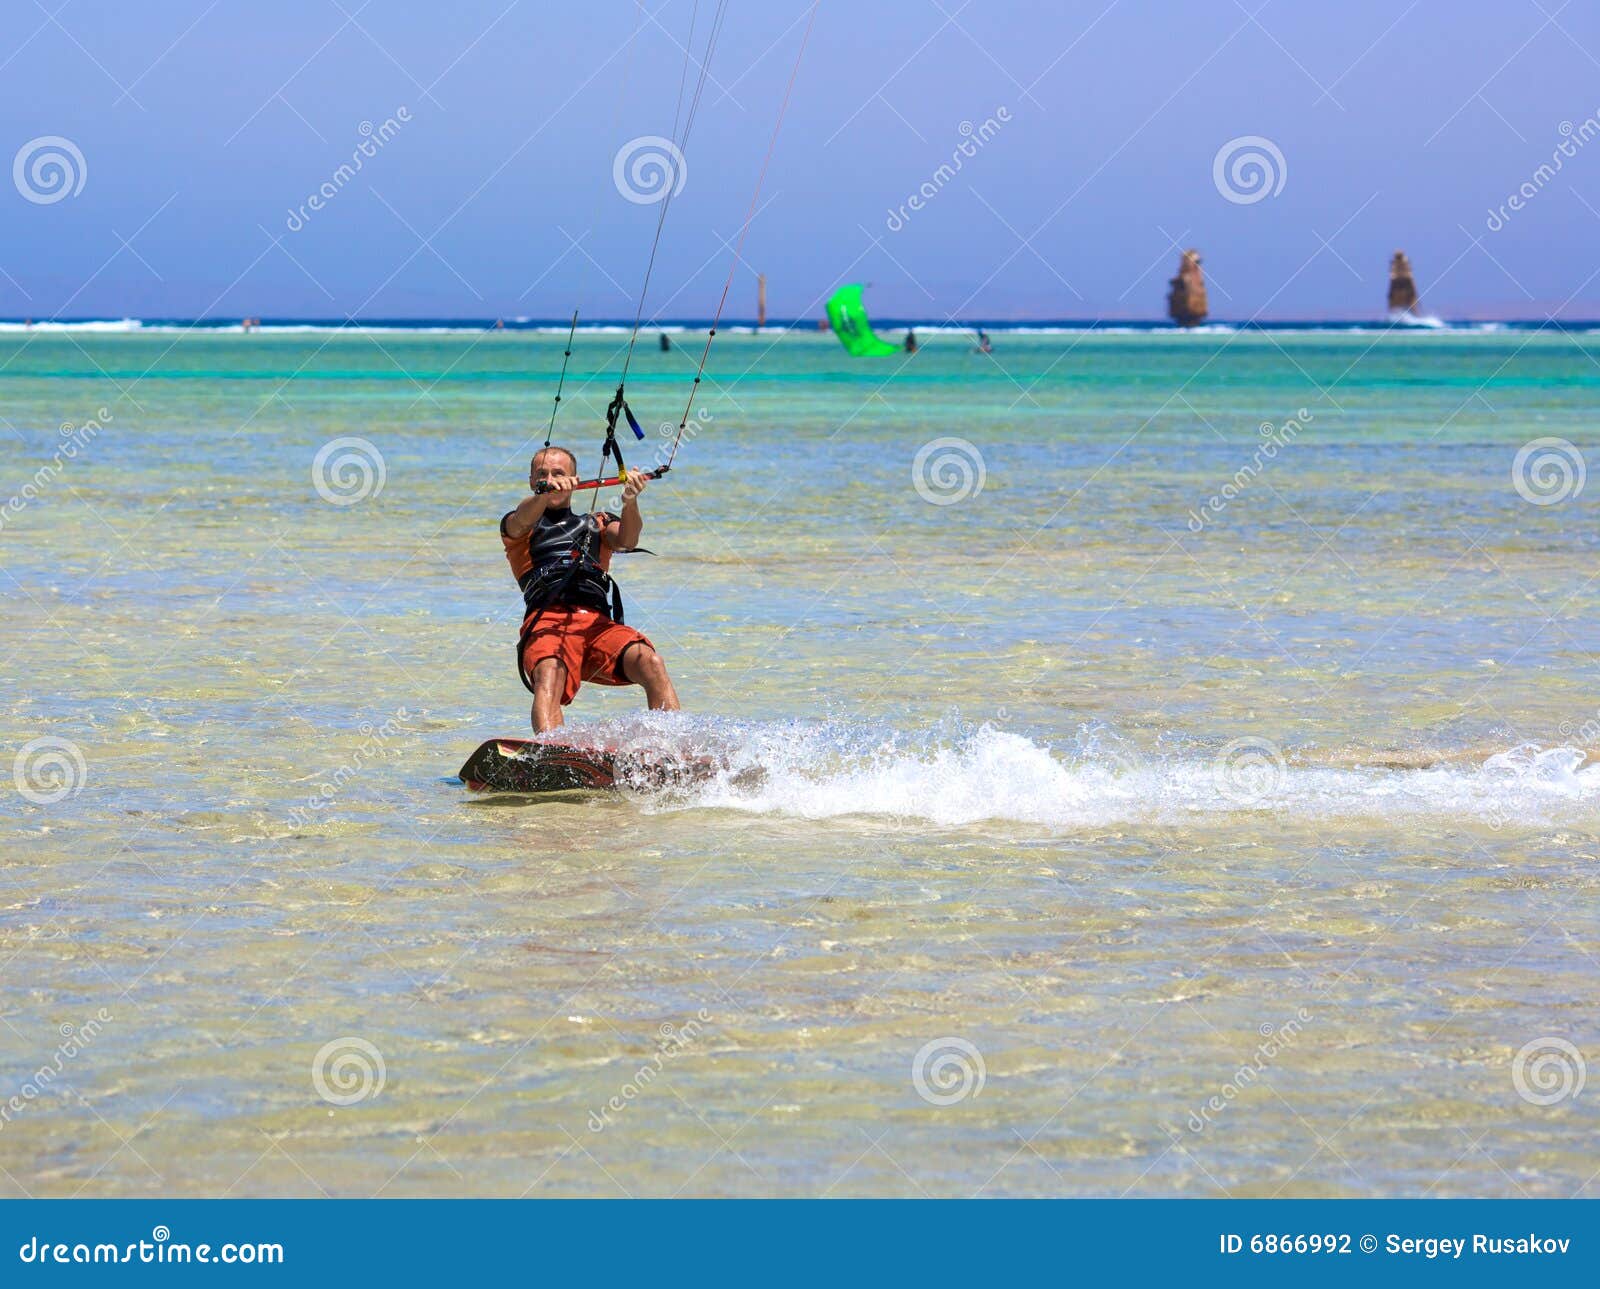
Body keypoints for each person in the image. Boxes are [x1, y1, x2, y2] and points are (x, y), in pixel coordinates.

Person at [500, 446, 680, 731]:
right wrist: (544, 494)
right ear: (532, 481)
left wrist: (630, 501)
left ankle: (673, 745)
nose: (551, 478)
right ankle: (552, 754)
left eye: (558, 473)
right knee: (550, 674)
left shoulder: (597, 522)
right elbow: (522, 518)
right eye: (542, 474)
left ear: (575, 479)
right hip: (547, 623)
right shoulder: (518, 525)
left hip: (597, 625)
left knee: (650, 662)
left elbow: (627, 540)